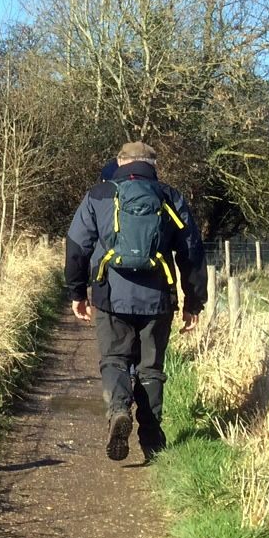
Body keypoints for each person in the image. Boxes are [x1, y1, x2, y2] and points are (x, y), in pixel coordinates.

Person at [66, 141, 205, 462]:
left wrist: (77, 292)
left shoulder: (99, 196)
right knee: (151, 368)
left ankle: (118, 411)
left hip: (111, 294)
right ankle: (153, 440)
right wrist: (193, 302)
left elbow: (76, 247)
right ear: (152, 165)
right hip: (158, 298)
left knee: (114, 359)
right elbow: (192, 252)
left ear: (120, 162)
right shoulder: (170, 197)